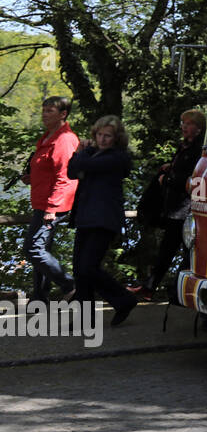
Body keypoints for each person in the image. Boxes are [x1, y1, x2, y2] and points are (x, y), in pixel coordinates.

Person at [128, 109, 206, 301]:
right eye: (182, 123)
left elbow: (192, 178)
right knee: (168, 249)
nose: (183, 127)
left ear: (198, 128)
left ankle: (177, 290)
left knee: (185, 252)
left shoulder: (199, 149)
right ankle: (152, 287)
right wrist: (170, 168)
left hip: (186, 209)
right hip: (175, 209)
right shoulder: (184, 147)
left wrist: (168, 180)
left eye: (188, 124)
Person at [67, 116, 137, 326]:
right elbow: (71, 172)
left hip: (104, 218)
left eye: (108, 136)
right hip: (86, 216)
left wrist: (80, 152)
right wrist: (83, 152)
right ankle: (84, 317)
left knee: (89, 267)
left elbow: (84, 164)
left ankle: (123, 299)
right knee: (80, 269)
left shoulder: (118, 158)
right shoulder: (93, 153)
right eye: (99, 135)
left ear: (116, 138)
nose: (103, 139)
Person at [20, 96, 80, 303]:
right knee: (41, 250)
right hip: (42, 203)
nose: (44, 114)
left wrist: (52, 208)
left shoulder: (64, 140)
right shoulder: (48, 137)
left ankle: (69, 285)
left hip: (53, 205)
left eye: (49, 111)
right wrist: (31, 177)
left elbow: (65, 177)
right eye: (43, 110)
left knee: (33, 249)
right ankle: (39, 298)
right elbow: (47, 170)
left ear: (63, 114)